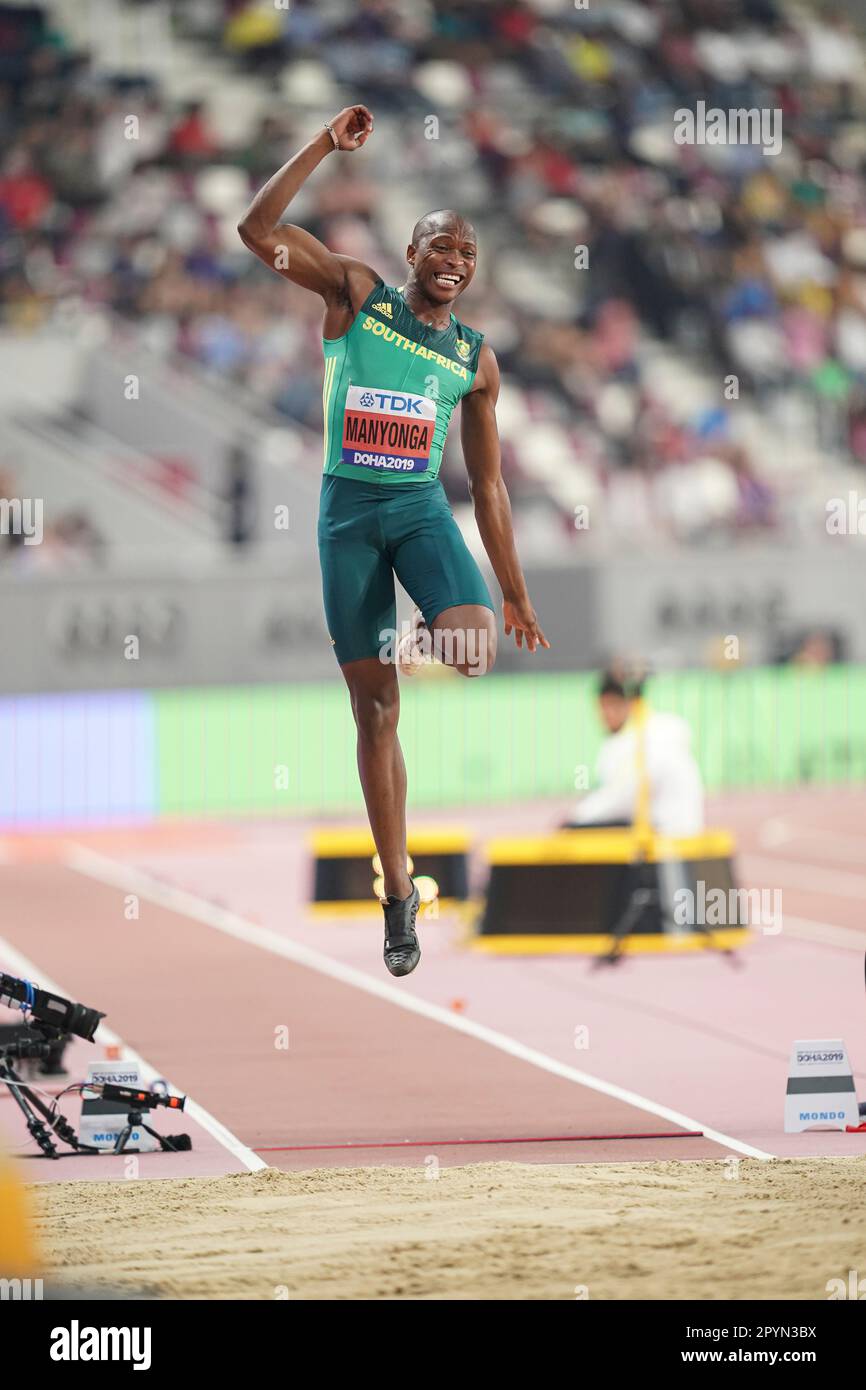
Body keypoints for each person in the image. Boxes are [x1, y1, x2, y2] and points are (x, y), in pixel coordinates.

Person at [238, 104, 548, 977]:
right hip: (346, 518)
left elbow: (486, 485)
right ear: (411, 254)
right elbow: (255, 228)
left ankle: (419, 638)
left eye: (468, 256)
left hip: (416, 509)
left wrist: (515, 591)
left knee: (477, 650)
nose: (454, 263)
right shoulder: (357, 295)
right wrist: (322, 147)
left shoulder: (477, 362)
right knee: (376, 713)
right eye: (440, 248)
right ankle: (398, 890)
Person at [564, 672, 704, 837]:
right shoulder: (653, 731)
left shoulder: (640, 741)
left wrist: (578, 815)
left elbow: (622, 797)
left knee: (578, 831)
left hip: (665, 837)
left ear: (629, 705)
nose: (606, 715)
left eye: (612, 706)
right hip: (674, 830)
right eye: (602, 707)